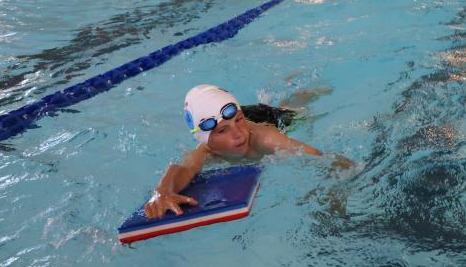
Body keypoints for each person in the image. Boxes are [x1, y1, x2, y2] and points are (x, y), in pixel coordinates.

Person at [144, 85, 347, 219]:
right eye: (223, 131)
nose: (239, 135)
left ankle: (304, 92)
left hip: (268, 118)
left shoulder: (264, 139)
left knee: (296, 112)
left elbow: (323, 159)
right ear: (207, 140)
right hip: (238, 113)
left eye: (238, 122)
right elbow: (183, 168)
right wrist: (162, 193)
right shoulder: (205, 150)